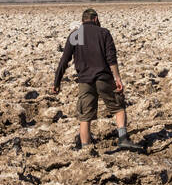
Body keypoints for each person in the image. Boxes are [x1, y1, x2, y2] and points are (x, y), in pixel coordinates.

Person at [51, 8, 143, 152]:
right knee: (118, 108)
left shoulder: (76, 34)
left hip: (84, 80)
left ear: (83, 20)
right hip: (103, 78)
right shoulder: (103, 33)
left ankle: (86, 149)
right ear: (95, 19)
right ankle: (123, 138)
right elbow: (111, 58)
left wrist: (57, 82)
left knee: (85, 116)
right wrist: (117, 78)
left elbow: (64, 60)